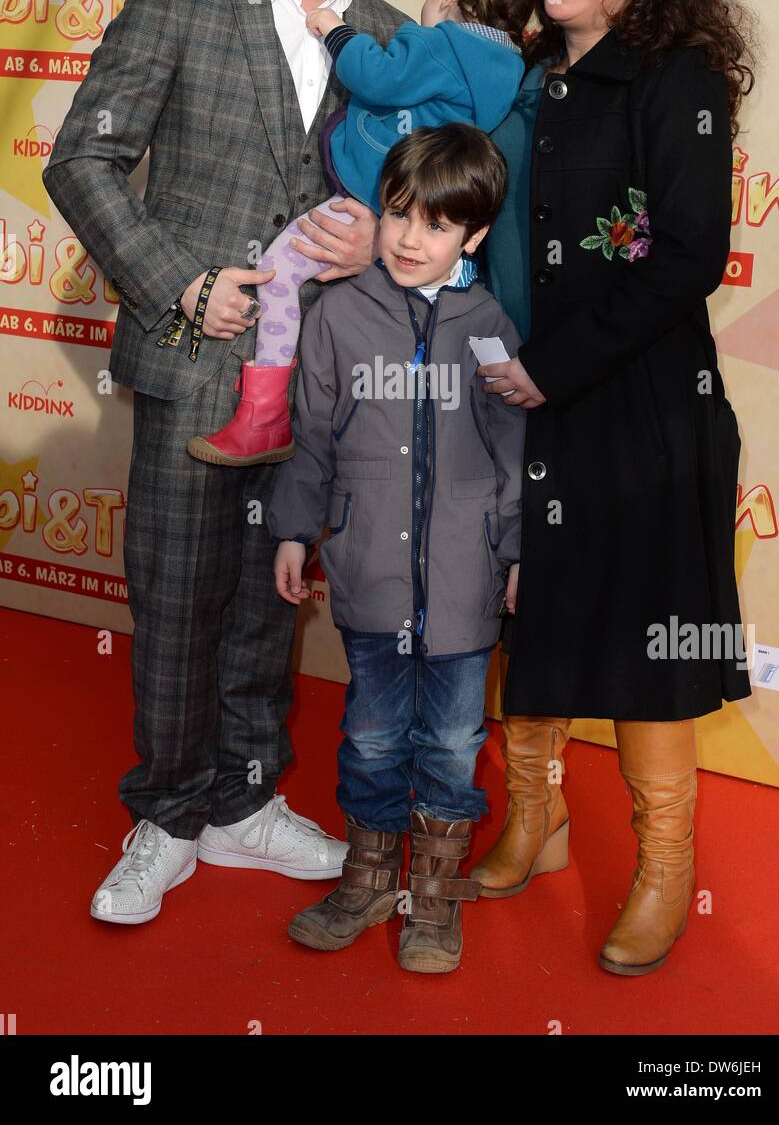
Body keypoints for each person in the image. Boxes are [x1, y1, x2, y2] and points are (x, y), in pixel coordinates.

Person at [41, 0, 415, 924]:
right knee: (175, 599)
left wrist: (376, 248)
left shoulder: (396, 41)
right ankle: (164, 814)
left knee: (270, 598)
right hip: (193, 366)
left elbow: (420, 221)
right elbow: (81, 160)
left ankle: (246, 798)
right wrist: (181, 284)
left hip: (315, 387)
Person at [469, 0, 756, 976]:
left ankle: (664, 861)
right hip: (525, 397)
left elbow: (686, 257)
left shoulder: (677, 77)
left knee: (649, 638)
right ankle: (535, 824)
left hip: (636, 403)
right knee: (531, 615)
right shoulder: (531, 76)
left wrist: (554, 367)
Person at [267, 123, 527, 974]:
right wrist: (295, 531)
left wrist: (518, 549)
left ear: (474, 236)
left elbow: (513, 455)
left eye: (437, 224)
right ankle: (371, 878)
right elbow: (310, 438)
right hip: (372, 570)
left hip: (464, 580)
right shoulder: (338, 315)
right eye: (398, 215)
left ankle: (435, 900)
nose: (412, 239)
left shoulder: (492, 327)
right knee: (373, 735)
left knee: (452, 742)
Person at [186, 0, 537, 465]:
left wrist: (335, 28)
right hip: (410, 204)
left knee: (277, 272)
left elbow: (377, 76)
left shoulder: (441, 45)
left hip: (367, 194)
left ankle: (264, 417)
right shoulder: (509, 68)